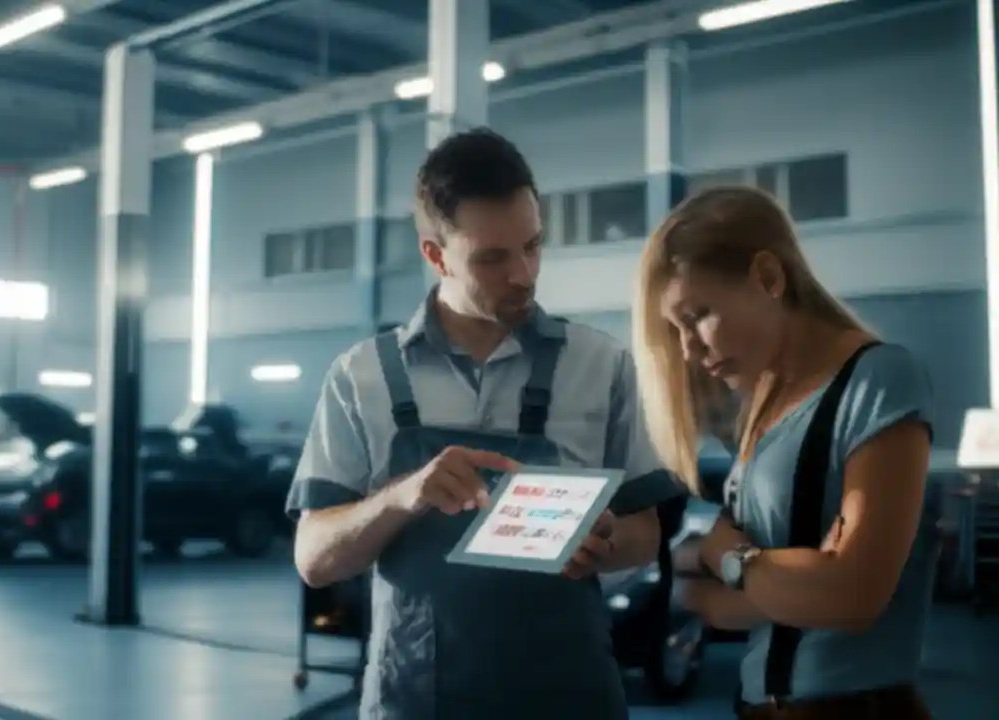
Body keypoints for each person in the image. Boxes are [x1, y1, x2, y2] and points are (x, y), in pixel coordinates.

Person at [286, 128, 684, 719]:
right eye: (492, 258)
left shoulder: (601, 366)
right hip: (416, 702)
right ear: (435, 254)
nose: (523, 274)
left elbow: (645, 532)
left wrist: (603, 542)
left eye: (533, 246)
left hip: (570, 699)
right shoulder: (361, 377)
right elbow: (315, 557)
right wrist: (404, 497)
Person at [632, 186, 938, 719]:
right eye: (675, 329)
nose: (687, 349)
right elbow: (728, 607)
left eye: (698, 314)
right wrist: (769, 578)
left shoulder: (880, 379)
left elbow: (852, 594)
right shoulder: (760, 405)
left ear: (769, 278)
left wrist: (725, 555)